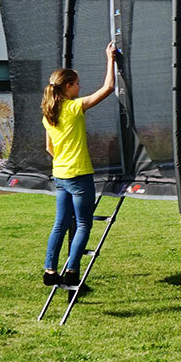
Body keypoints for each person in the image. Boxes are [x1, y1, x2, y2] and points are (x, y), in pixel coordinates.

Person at [40, 42, 117, 288]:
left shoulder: (49, 114)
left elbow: (49, 148)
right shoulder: (74, 108)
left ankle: (50, 271)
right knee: (83, 223)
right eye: (77, 84)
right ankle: (72, 271)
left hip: (60, 175)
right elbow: (108, 88)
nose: (80, 87)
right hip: (79, 175)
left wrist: (63, 161)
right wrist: (110, 59)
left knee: (60, 224)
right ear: (68, 86)